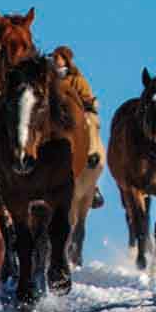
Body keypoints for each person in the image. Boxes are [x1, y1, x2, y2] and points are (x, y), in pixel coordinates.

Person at [53, 46, 106, 209]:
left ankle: (92, 184)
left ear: (66, 60)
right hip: (53, 120)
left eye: (59, 57)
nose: (55, 60)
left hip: (73, 120)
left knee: (89, 126)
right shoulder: (48, 78)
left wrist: (79, 106)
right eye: (54, 57)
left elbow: (87, 98)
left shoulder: (77, 79)